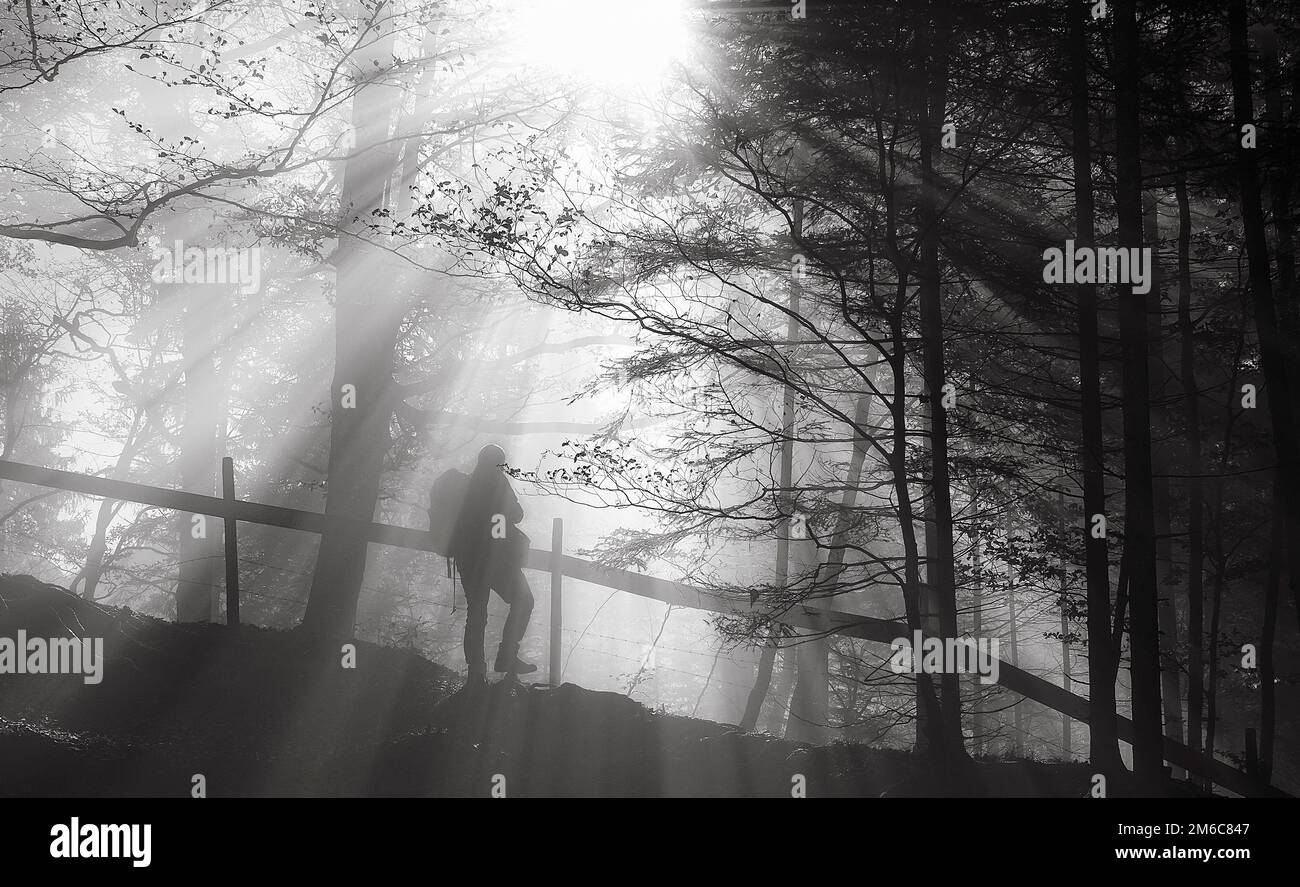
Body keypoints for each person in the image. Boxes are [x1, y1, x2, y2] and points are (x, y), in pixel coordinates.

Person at [452, 444, 536, 684]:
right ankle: (507, 654)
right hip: (495, 560)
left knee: (476, 614)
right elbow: (517, 514)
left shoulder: (466, 484)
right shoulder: (497, 483)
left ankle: (476, 672)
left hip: (468, 559)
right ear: (499, 462)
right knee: (524, 600)